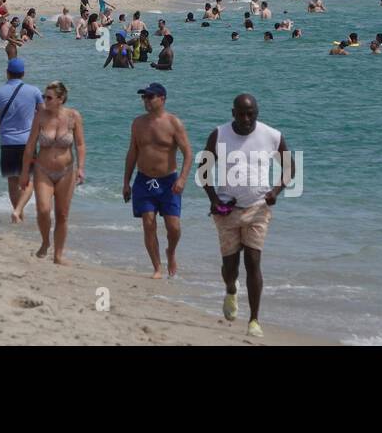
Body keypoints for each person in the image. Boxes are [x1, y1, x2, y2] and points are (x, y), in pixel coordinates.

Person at [199, 93, 291, 338]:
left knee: (253, 261)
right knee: (231, 268)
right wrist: (214, 200)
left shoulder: (272, 136)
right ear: (233, 113)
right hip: (227, 209)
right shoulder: (219, 135)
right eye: (241, 113)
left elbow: (290, 168)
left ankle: (254, 320)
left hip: (258, 208)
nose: (246, 119)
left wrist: (276, 191)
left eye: (251, 114)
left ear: (257, 113)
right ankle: (230, 289)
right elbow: (203, 171)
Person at [122, 82, 192, 278]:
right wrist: (126, 182)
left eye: (150, 97)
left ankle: (171, 251)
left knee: (174, 227)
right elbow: (132, 153)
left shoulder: (173, 123)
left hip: (168, 181)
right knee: (148, 222)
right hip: (144, 180)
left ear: (162, 99)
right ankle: (157, 267)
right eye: (144, 97)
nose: (146, 100)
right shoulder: (137, 123)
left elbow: (188, 153)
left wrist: (182, 179)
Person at [12, 81, 85, 264]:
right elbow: (30, 146)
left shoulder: (73, 116)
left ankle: (58, 255)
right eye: (44, 97)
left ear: (61, 99)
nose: (45, 100)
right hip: (43, 171)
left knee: (62, 214)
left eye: (49, 98)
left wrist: (81, 168)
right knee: (43, 209)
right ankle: (45, 242)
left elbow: (80, 145)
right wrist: (24, 173)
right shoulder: (40, 116)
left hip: (66, 172)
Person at [0, 58, 45, 216]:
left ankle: (18, 212)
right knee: (30, 179)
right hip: (28, 143)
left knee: (12, 181)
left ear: (7, 73)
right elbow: (45, 114)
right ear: (23, 74)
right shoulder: (34, 91)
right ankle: (19, 211)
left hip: (7, 143)